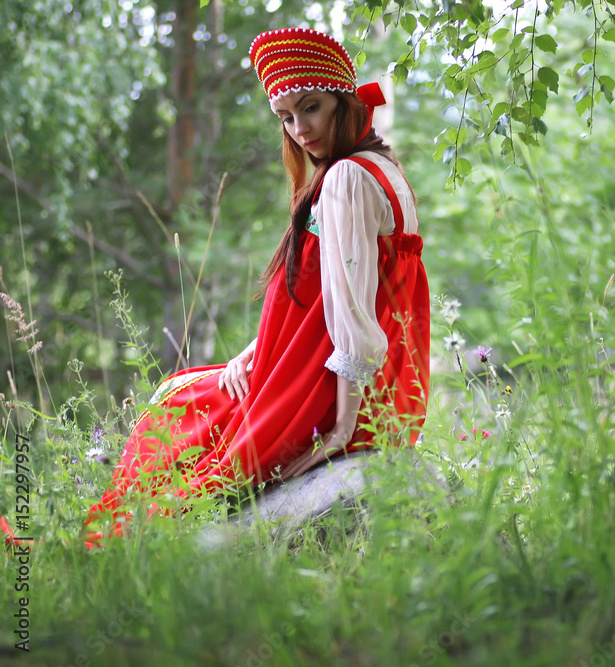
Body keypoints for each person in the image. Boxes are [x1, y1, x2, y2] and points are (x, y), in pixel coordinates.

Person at [77, 27, 431, 546]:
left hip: (337, 388)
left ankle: (115, 549)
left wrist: (340, 430)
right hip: (360, 377)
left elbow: (354, 315)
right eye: (286, 118)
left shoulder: (347, 179)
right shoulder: (379, 165)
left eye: (310, 107)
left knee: (183, 428)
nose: (299, 130)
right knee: (192, 391)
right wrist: (255, 351)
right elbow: (319, 300)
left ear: (342, 99)